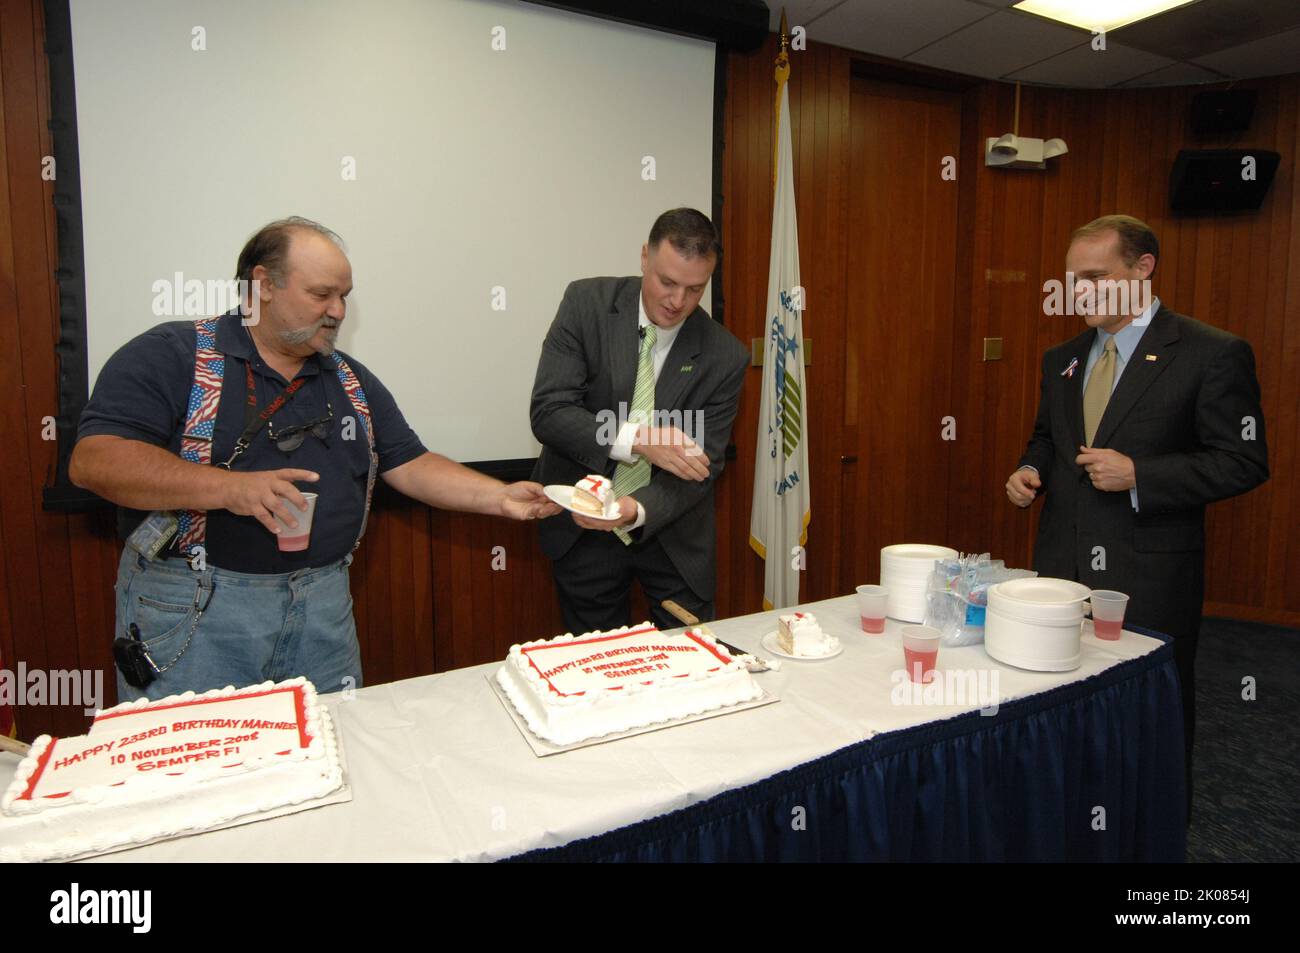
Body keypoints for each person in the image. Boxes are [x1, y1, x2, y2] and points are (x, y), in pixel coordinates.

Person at [71, 217, 558, 701]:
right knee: (200, 769)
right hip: (197, 609)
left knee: (328, 754)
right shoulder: (174, 354)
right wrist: (229, 488)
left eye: (345, 295)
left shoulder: (348, 378)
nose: (338, 310)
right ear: (262, 284)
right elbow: (96, 461)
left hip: (324, 606)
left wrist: (500, 497)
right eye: (322, 294)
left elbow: (410, 463)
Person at [1006, 214, 1269, 813]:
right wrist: (1031, 471)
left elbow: (1243, 461)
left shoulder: (1211, 353)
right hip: (1060, 574)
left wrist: (1141, 476)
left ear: (1142, 269)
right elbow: (1048, 437)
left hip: (1148, 582)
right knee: (1065, 714)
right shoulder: (1063, 357)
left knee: (1151, 728)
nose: (1079, 294)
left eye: (1095, 277)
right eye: (1073, 281)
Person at [530, 208, 749, 634]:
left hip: (673, 532)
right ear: (645, 257)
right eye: (667, 282)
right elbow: (550, 411)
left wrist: (636, 509)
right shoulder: (586, 304)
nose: (677, 302)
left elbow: (702, 466)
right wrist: (638, 440)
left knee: (690, 666)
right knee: (598, 669)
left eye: (694, 289)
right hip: (585, 527)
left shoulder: (725, 355)